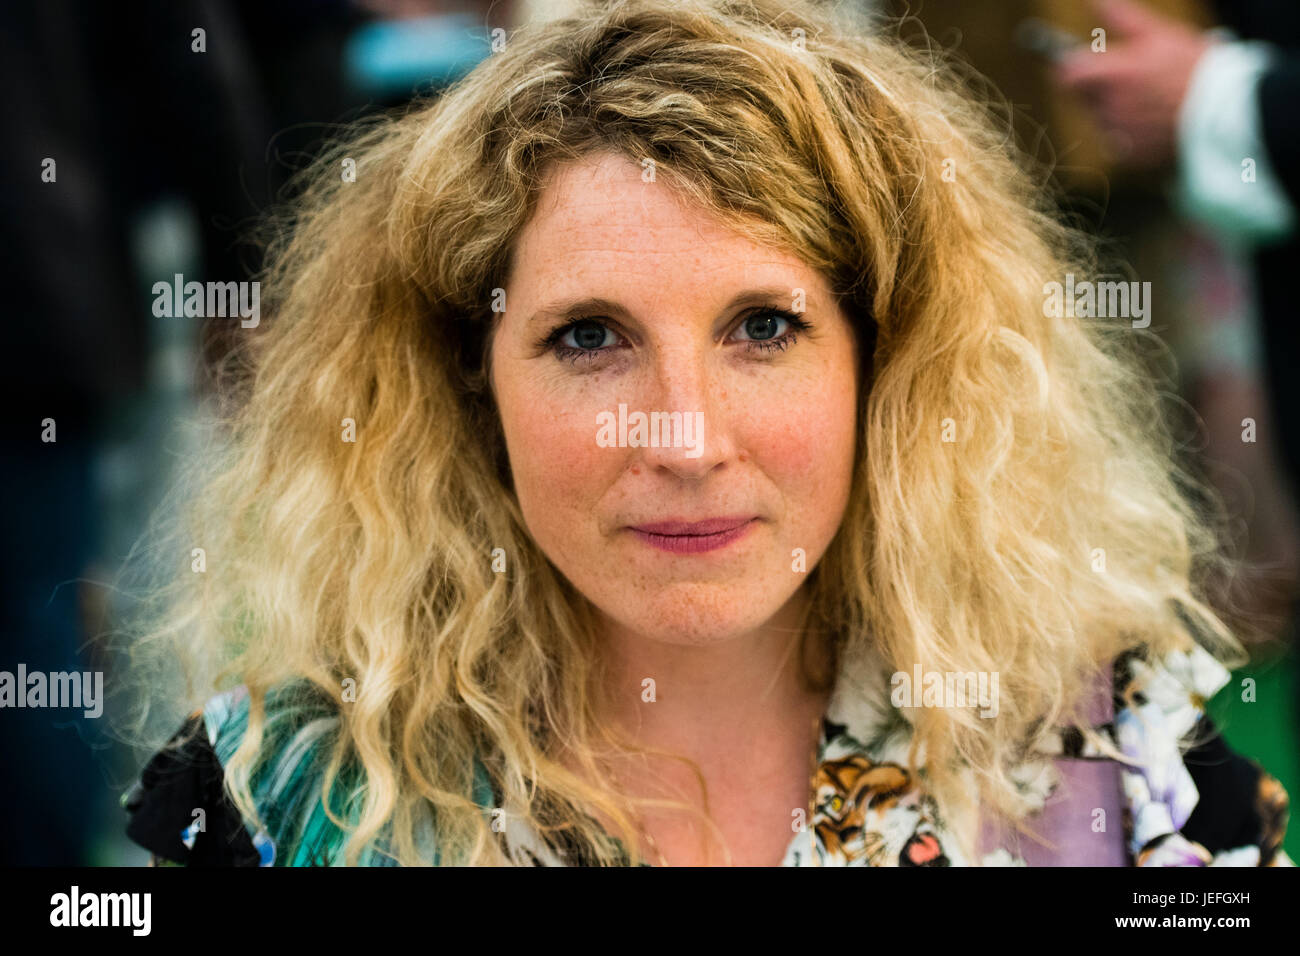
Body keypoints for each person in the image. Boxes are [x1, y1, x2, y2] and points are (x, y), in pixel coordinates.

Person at [117, 0, 1292, 867]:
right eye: (588, 338)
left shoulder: (1127, 762)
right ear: (467, 382)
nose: (681, 435)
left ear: (881, 366)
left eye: (765, 326)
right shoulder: (282, 797)